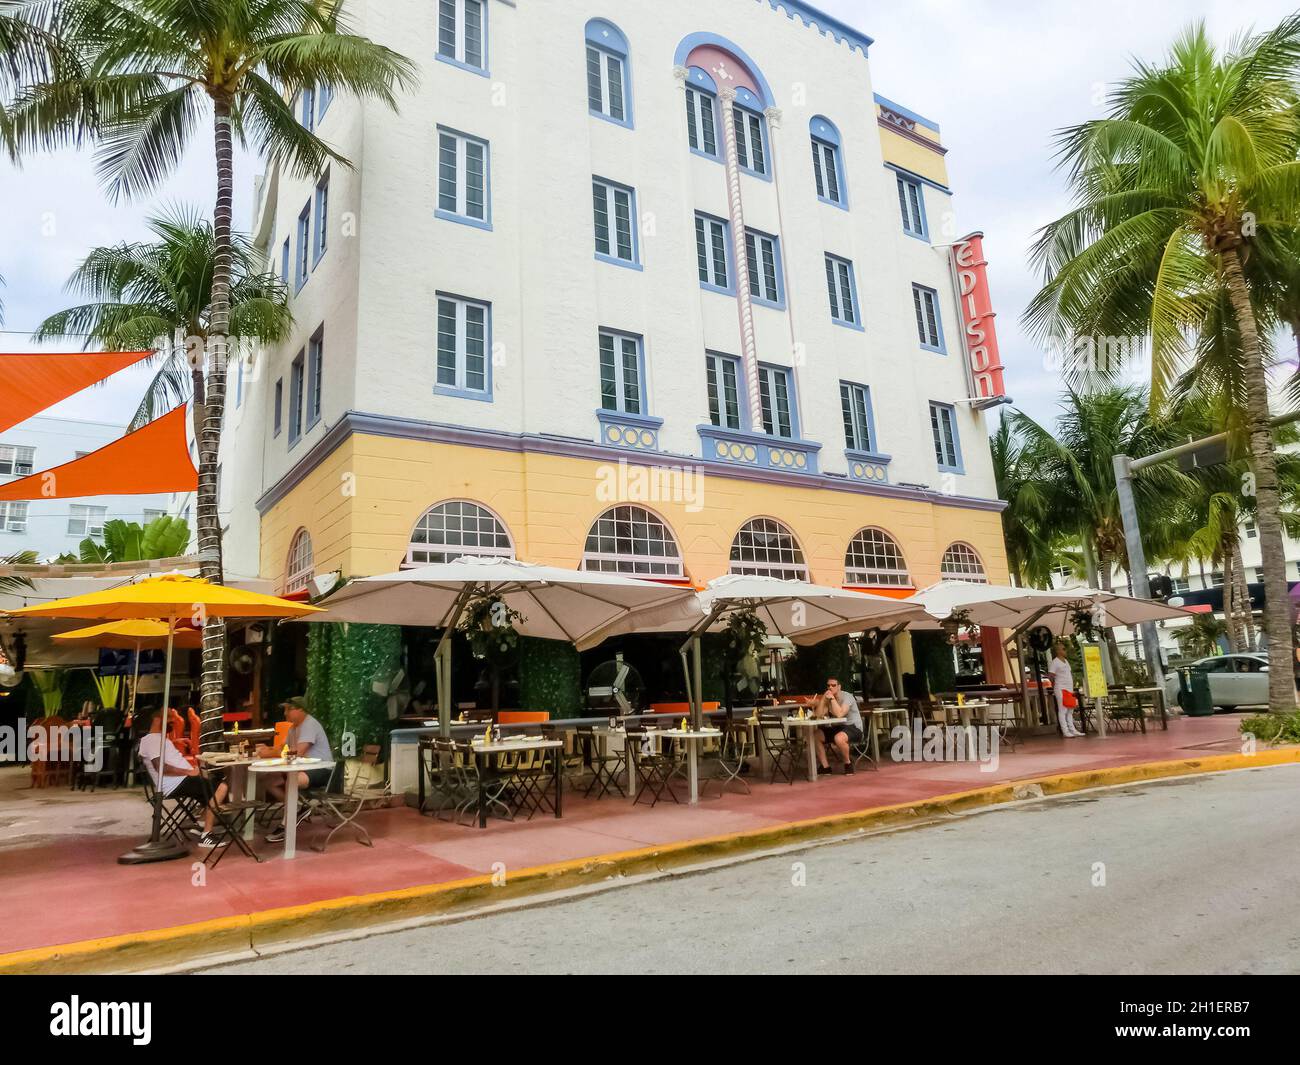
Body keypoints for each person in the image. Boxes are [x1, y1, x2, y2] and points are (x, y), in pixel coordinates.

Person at [137, 708, 228, 847]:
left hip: (178, 781)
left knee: (213, 778)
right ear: (157, 720)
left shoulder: (157, 739)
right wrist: (188, 772)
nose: (173, 721)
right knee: (222, 787)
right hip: (175, 783)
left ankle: (202, 823)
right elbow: (161, 767)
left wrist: (175, 742)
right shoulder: (152, 741)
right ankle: (206, 835)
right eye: (169, 718)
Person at [257, 697, 334, 843]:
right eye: (284, 709)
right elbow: (282, 748)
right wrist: (267, 749)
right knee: (268, 781)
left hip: (323, 769)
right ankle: (298, 807)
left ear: (300, 710)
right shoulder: (293, 728)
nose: (285, 713)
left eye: (288, 709)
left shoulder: (309, 724)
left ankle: (286, 824)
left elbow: (297, 752)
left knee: (293, 782)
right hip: (303, 769)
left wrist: (269, 753)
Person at [811, 676, 864, 775]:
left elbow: (840, 714)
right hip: (838, 728)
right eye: (828, 685)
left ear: (839, 687)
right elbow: (818, 715)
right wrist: (822, 700)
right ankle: (825, 767)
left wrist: (832, 699)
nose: (830, 687)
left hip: (853, 727)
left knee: (838, 738)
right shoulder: (828, 699)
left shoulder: (847, 697)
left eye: (833, 685)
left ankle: (848, 764)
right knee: (815, 735)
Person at [1048, 641, 1081, 738]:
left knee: (1070, 709)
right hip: (1060, 688)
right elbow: (1051, 676)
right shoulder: (1055, 662)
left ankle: (1072, 729)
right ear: (1058, 651)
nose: (1065, 650)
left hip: (1069, 688)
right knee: (1063, 710)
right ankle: (1065, 730)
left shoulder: (1066, 661)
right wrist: (1055, 685)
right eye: (1063, 649)